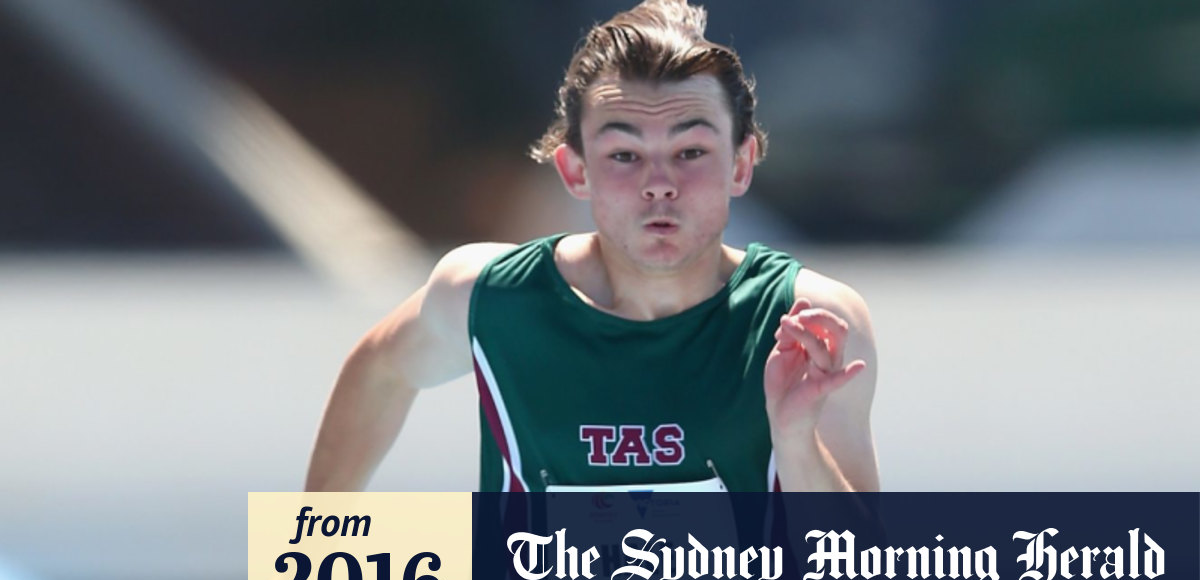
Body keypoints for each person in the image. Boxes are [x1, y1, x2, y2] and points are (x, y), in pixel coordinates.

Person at [306, 0, 879, 494]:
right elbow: (380, 371)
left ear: (742, 163)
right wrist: (307, 571)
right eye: (625, 155)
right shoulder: (490, 297)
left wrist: (797, 442)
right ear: (575, 171)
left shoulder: (808, 321)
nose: (660, 183)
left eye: (692, 152)